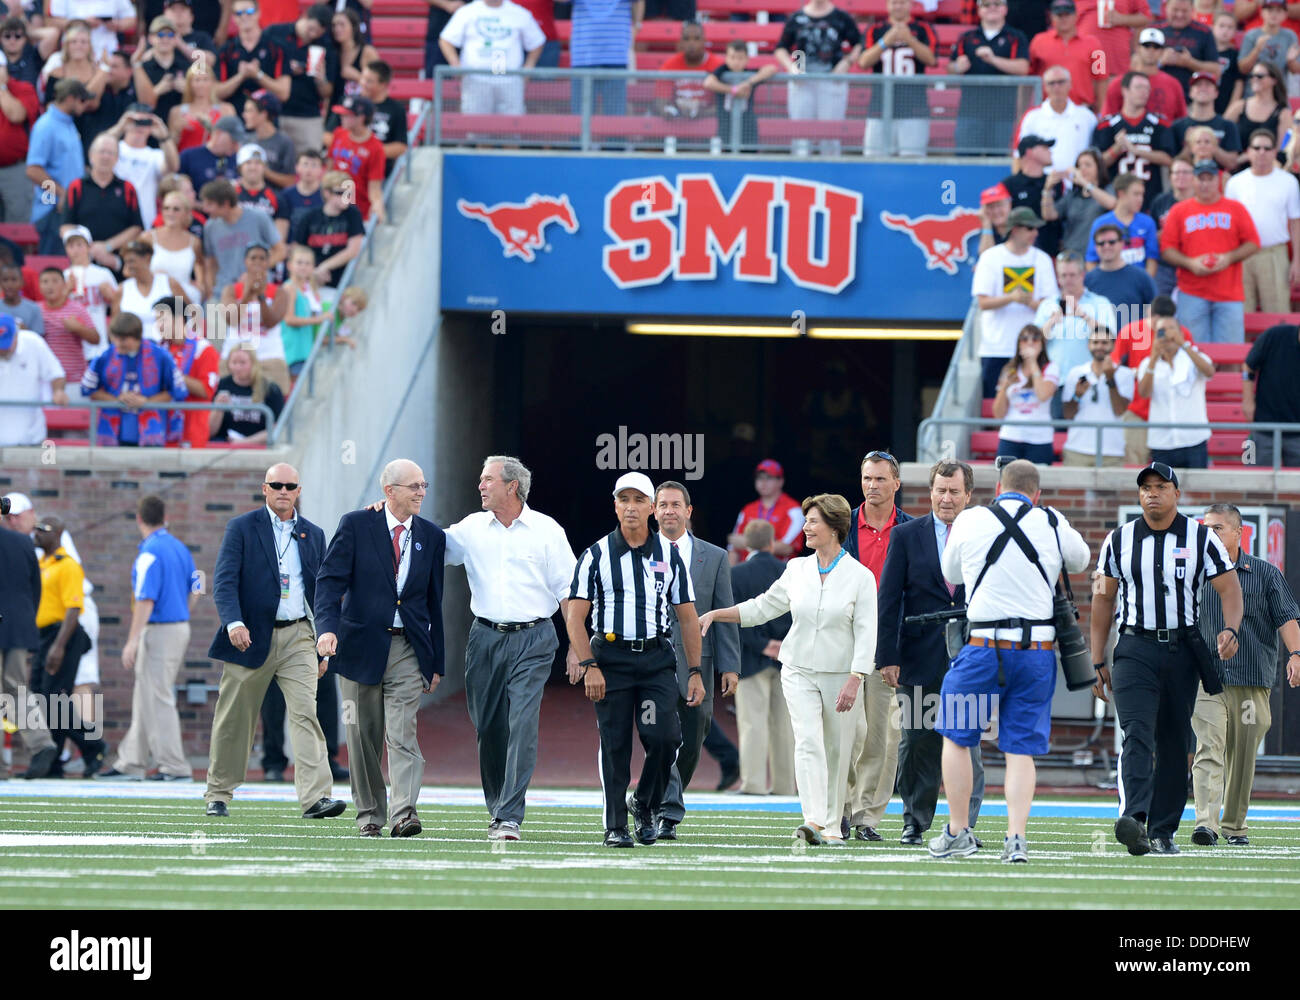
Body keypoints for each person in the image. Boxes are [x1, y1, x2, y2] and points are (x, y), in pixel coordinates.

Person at [932, 459, 1090, 862]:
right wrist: (1055, 520)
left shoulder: (971, 520)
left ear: (998, 487)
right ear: (1036, 493)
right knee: (1021, 749)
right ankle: (1015, 839)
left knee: (957, 736)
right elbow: (1081, 560)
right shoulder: (1052, 521)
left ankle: (957, 831)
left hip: (982, 648)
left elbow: (951, 571)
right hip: (1035, 653)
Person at [702, 493, 876, 847]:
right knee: (808, 742)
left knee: (838, 750)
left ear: (834, 528)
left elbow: (866, 630)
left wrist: (856, 678)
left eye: (813, 521)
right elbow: (762, 608)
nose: (805, 528)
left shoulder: (861, 576)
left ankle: (831, 825)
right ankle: (813, 820)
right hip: (797, 670)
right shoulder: (795, 569)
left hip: (841, 675)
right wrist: (718, 614)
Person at [1091, 462, 1242, 856]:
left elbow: (1230, 588)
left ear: (1177, 493)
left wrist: (1231, 628)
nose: (1152, 493)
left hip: (1181, 650)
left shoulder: (1200, 537)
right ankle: (1134, 817)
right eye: (1146, 487)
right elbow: (1103, 598)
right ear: (1139, 495)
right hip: (1134, 648)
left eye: (1161, 486)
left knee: (1175, 742)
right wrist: (1095, 659)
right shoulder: (1118, 540)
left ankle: (1162, 830)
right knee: (1136, 731)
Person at [565, 471, 704, 848]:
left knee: (664, 736)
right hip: (611, 659)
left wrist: (694, 671)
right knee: (615, 745)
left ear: (651, 509)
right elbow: (575, 616)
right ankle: (615, 826)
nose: (630, 507)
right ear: (615, 505)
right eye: (623, 500)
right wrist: (589, 663)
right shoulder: (594, 555)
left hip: (656, 659)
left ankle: (643, 803)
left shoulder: (669, 556)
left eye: (638, 500)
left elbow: (688, 617)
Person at [443, 456, 577, 841]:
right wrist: (390, 518)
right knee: (489, 727)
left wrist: (575, 647)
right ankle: (497, 805)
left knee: (521, 721)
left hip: (535, 638)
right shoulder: (470, 528)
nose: (480, 486)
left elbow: (568, 592)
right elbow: (429, 546)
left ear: (512, 486)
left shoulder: (547, 530)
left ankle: (509, 814)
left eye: (487, 480)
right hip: (484, 637)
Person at [204, 465, 345, 819]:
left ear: (298, 490)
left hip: (299, 634)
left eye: (290, 486)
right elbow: (224, 581)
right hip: (249, 636)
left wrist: (324, 639)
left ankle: (316, 797)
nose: (284, 490)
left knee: (305, 713)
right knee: (234, 717)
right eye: (277, 485)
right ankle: (218, 793)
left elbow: (323, 592)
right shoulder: (241, 528)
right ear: (264, 489)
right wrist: (233, 622)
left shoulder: (313, 534)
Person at [316, 459, 447, 838]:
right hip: (357, 649)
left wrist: (436, 660)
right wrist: (326, 631)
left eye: (424, 485)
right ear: (389, 492)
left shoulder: (432, 537)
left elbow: (435, 602)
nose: (422, 492)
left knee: (403, 732)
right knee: (361, 737)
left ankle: (404, 813)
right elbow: (329, 582)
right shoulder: (356, 525)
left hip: (407, 648)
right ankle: (370, 815)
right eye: (414, 487)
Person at [876, 460, 985, 845]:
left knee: (966, 740)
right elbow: (888, 598)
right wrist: (886, 656)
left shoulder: (984, 535)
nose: (946, 497)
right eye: (940, 489)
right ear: (930, 491)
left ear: (968, 495)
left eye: (954, 491)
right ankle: (914, 822)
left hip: (972, 655)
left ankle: (964, 826)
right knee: (917, 739)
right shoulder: (907, 535)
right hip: (918, 654)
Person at [1191, 503, 1300, 846]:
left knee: (1242, 757)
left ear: (1239, 532)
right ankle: (1205, 823)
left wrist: (1296, 654)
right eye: (1206, 528)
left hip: (1252, 681)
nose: (1211, 534)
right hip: (1207, 679)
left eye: (1219, 528)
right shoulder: (1192, 573)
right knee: (1209, 747)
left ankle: (1234, 825)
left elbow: (1286, 618)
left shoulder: (1265, 574)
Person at [647, 480, 739, 840]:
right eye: (663, 504)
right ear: (654, 511)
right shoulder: (636, 552)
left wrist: (730, 665)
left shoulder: (714, 556)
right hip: (651, 656)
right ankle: (667, 810)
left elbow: (724, 610)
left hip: (698, 658)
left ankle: (667, 796)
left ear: (688, 511)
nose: (669, 510)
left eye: (675, 504)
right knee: (660, 734)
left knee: (695, 730)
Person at [97, 494, 200, 781]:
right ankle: (132, 761)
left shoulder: (149, 553)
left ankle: (174, 766)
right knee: (146, 696)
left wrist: (132, 640)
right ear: (165, 516)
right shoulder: (180, 547)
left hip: (160, 630)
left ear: (139, 518)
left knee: (158, 697)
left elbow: (144, 601)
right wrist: (183, 612)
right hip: (178, 625)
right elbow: (198, 585)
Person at [840, 449, 911, 842]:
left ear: (896, 483)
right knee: (845, 731)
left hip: (889, 645)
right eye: (867, 478)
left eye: (881, 479)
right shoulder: (841, 525)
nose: (872, 486)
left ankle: (867, 817)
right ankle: (842, 809)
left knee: (883, 736)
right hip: (845, 641)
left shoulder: (912, 529)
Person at [31, 516, 106, 777]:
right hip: (43, 636)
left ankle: (93, 745)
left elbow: (74, 608)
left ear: (59, 533)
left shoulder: (68, 565)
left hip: (64, 635)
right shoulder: (41, 563)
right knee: (43, 698)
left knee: (53, 699)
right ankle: (56, 759)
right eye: (36, 529)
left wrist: (59, 647)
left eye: (44, 530)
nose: (37, 533)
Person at [1161, 159, 1259, 344]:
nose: (1205, 184)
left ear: (1218, 180)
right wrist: (1190, 263)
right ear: (1193, 181)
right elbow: (1167, 249)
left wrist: (1228, 257)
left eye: (1210, 178)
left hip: (1229, 292)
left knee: (1231, 352)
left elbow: (1253, 243)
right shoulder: (1179, 211)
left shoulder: (1235, 209)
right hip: (1192, 291)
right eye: (1201, 178)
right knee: (1193, 352)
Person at [730, 520, 795, 797]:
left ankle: (754, 784)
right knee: (785, 728)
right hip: (788, 659)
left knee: (752, 724)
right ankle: (784, 787)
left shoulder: (736, 574)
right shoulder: (790, 572)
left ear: (747, 544)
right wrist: (783, 645)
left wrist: (762, 644)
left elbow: (733, 619)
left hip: (750, 659)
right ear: (772, 542)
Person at [971, 206, 1059, 399]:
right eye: (1030, 228)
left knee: (1032, 404)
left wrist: (1028, 302)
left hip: (1032, 347)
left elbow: (1050, 306)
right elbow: (982, 302)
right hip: (997, 347)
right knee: (994, 405)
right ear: (1015, 229)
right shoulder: (990, 258)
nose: (1035, 233)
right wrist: (1011, 298)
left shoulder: (1042, 259)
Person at [0, 503, 58, 779]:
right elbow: (35, 588)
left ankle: (1, 765)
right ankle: (41, 742)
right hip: (18, 627)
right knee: (15, 690)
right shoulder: (23, 542)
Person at [80, 312, 186, 447]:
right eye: (114, 338)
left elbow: (175, 391)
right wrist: (117, 400)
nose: (117, 343)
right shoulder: (104, 357)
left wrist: (146, 402)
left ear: (136, 337)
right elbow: (88, 389)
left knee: (148, 467)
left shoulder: (161, 356)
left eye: (123, 339)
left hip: (152, 432)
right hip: (113, 433)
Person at [1223, 129, 1300, 313]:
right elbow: (1228, 224)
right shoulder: (1235, 182)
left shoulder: (1288, 181)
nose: (1262, 152)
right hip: (1241, 254)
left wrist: (1297, 261)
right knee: (1241, 314)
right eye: (1257, 147)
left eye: (1267, 148)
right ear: (1248, 151)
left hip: (1274, 253)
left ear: (1275, 152)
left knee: (1277, 313)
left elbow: (1296, 224)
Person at [774, 0, 862, 157]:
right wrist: (791, 67)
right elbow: (781, 48)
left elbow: (859, 43)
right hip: (802, 83)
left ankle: (831, 173)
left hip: (832, 81)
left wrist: (846, 62)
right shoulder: (797, 18)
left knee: (830, 135)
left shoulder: (841, 17)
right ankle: (800, 176)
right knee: (801, 136)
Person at [949, 0, 1030, 156]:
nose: (992, 7)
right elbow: (950, 68)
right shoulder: (966, 37)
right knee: (966, 162)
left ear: (1005, 9)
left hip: (1002, 114)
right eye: (986, 4)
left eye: (997, 3)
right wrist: (957, 67)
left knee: (998, 161)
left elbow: (1023, 68)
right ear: (979, 10)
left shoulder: (1016, 37)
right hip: (969, 112)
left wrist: (993, 59)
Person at [859, 0, 937, 158]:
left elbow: (931, 60)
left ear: (910, 4)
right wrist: (885, 42)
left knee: (912, 159)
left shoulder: (923, 29)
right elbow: (863, 62)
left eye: (902, 2)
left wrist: (910, 40)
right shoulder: (876, 29)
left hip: (913, 107)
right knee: (874, 159)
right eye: (894, 2)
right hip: (880, 106)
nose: (898, 6)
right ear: (887, 5)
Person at [1136, 312, 1215, 467]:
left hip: (1193, 440)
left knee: (1197, 490)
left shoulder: (1193, 358)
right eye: (1162, 330)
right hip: (1162, 442)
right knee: (1163, 490)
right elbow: (1143, 393)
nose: (1167, 334)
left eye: (1171, 329)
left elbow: (1209, 371)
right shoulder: (1147, 364)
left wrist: (1183, 344)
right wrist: (1154, 357)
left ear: (1180, 333)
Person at [1093, 73, 1176, 216]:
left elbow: (1169, 160)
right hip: (1116, 200)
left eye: (1147, 89)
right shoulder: (1106, 125)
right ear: (1124, 90)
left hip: (1150, 197)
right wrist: (1116, 149)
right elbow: (1096, 165)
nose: (1144, 92)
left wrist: (1137, 151)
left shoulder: (1159, 124)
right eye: (1138, 87)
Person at [25, 79, 91, 255]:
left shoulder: (68, 124)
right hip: (52, 209)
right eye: (82, 100)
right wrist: (60, 194)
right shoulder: (46, 126)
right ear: (70, 98)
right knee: (54, 263)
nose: (86, 105)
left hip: (67, 207)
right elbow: (33, 170)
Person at [261, 3, 333, 158]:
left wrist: (320, 77)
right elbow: (259, 61)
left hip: (308, 115)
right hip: (274, 113)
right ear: (305, 17)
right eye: (311, 28)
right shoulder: (275, 33)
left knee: (311, 165)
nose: (312, 35)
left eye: (317, 32)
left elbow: (327, 92)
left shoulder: (325, 45)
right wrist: (283, 67)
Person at [217, 242, 291, 391]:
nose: (257, 262)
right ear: (245, 261)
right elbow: (232, 320)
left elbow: (271, 321)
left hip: (269, 357)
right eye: (253, 258)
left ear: (268, 262)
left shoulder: (279, 292)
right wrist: (247, 295)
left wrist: (260, 296)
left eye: (262, 258)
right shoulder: (231, 290)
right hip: (234, 358)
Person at [1036, 248, 1117, 380]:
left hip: (1090, 378)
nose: (1068, 280)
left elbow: (1110, 338)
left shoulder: (1100, 302)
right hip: (1055, 380)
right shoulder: (1047, 305)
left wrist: (1085, 317)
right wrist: (1051, 322)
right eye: (1063, 275)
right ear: (1058, 277)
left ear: (1082, 275)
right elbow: (1034, 341)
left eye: (1072, 275)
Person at [1061, 328, 1135, 465]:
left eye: (1104, 342)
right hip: (1077, 448)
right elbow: (1067, 414)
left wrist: (1110, 378)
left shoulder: (1125, 374)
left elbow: (1119, 410)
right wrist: (1077, 396)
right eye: (1095, 342)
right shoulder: (1076, 372)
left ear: (1113, 345)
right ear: (1088, 345)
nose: (1099, 346)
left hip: (1112, 451)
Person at [153, 295, 217, 449]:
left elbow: (205, 391)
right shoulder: (158, 350)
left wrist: (175, 373)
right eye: (156, 320)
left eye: (163, 320)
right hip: (161, 431)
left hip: (192, 433)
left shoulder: (204, 349)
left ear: (180, 319)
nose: (159, 326)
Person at [200, 178, 284, 295]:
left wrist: (256, 270)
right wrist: (210, 293)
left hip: (257, 291)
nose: (204, 209)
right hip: (223, 292)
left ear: (225, 204)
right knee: (211, 312)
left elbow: (281, 251)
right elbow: (210, 264)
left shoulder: (258, 217)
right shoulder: (210, 226)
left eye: (209, 204)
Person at [993, 323, 1061, 463]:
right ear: (1018, 344)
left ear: (1042, 344)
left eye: (1035, 339)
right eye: (1024, 339)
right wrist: (1005, 387)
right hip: (1010, 436)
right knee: (1007, 483)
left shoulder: (1050, 368)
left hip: (1039, 438)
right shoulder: (1009, 369)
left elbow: (1043, 395)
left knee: (1037, 483)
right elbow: (998, 414)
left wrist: (1033, 363)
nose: (1030, 342)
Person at [1011, 66, 1098, 173]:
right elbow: (1019, 154)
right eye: (1051, 83)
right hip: (1042, 184)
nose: (1056, 87)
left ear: (1070, 84)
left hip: (1078, 183)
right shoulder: (1032, 117)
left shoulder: (1087, 117)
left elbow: (1096, 154)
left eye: (1061, 82)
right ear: (1045, 87)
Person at [289, 170, 364, 290]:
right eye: (340, 193)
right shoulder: (310, 216)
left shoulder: (352, 214)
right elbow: (297, 250)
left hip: (341, 281)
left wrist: (324, 267)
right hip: (310, 280)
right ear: (327, 193)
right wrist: (313, 272)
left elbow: (353, 250)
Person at [0, 314, 67, 446]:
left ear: (16, 335)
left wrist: (58, 391)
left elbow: (56, 373)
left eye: (6, 344)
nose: (3, 349)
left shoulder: (33, 342)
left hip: (31, 437)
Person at [1028, 0, 1106, 110]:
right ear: (1051, 17)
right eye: (1059, 15)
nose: (1063, 18)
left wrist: (1101, 112)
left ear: (1076, 15)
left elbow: (1101, 79)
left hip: (1082, 109)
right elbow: (1028, 78)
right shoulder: (1038, 41)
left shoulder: (1094, 43)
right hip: (1047, 110)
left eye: (1067, 14)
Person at [567, 0, 639, 117]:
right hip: (583, 57)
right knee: (580, 121)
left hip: (616, 57)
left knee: (615, 123)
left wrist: (638, 24)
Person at [1244, 320, 1300, 467]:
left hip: (1297, 432)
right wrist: (1248, 401)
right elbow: (1248, 367)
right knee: (1255, 483)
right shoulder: (1275, 335)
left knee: (1295, 487)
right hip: (1264, 426)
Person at [704, 42, 778, 151]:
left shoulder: (749, 74)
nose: (736, 62)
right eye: (732, 57)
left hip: (747, 129)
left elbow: (772, 68)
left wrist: (747, 83)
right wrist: (733, 90)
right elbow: (708, 83)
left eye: (740, 58)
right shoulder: (722, 71)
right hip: (725, 128)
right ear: (726, 58)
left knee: (749, 161)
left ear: (747, 59)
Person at [728, 458, 805, 563]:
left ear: (781, 481)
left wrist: (747, 543)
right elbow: (733, 547)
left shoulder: (794, 510)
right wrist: (731, 577)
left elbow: (787, 548)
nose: (763, 482)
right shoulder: (748, 509)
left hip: (777, 576)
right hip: (746, 574)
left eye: (769, 478)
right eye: (759, 478)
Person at [1040, 147, 1117, 254]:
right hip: (1072, 254)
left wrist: (1085, 183)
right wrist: (1047, 190)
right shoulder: (1072, 195)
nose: (1082, 169)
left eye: (1088, 165)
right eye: (1079, 166)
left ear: (1098, 168)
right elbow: (1049, 215)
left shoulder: (1107, 189)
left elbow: (1112, 204)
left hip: (1097, 254)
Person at [1102, 27, 1187, 123]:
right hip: (1127, 135)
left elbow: (1181, 121)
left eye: (1156, 47)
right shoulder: (1119, 82)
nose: (1151, 50)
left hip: (1163, 136)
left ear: (1162, 51)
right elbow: (1108, 119)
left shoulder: (1173, 84)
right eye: (1146, 46)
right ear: (1138, 48)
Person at [215, 0, 288, 106]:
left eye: (249, 11)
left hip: (267, 117)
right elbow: (215, 93)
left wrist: (258, 74)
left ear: (258, 13)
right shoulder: (225, 50)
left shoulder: (277, 47)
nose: (244, 16)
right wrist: (240, 76)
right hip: (235, 115)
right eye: (239, 13)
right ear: (234, 18)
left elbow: (284, 93)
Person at [326, 94, 385, 224]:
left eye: (347, 115)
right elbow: (329, 169)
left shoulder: (375, 148)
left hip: (357, 212)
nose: (342, 117)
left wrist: (377, 206)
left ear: (361, 117)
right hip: (333, 206)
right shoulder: (339, 133)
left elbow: (374, 188)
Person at [1085, 173, 1159, 275]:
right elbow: (1091, 262)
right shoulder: (1100, 223)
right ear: (1121, 194)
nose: (1141, 199)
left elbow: (1152, 259)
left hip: (1138, 285)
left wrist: (1145, 285)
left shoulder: (1147, 222)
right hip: (1110, 285)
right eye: (1136, 194)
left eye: (1142, 194)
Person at [209, 342, 284, 443]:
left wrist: (245, 442)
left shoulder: (270, 389)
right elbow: (210, 431)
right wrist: (218, 409)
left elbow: (277, 428)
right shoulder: (221, 385)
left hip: (259, 445)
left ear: (253, 364)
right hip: (224, 441)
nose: (238, 367)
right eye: (234, 363)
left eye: (242, 363)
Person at [0, 44, 42, 225]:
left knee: (18, 225)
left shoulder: (23, 89)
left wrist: (1, 88)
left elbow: (16, 115)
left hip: (15, 168)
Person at [1003, 134, 1063, 256]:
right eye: (1045, 148)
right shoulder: (1010, 185)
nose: (1050, 152)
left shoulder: (1056, 183)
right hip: (1019, 253)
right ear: (1030, 152)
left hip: (1051, 251)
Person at [141, 188, 205, 302]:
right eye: (166, 208)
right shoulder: (148, 238)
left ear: (186, 213)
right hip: (153, 298)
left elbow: (200, 265)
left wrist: (200, 284)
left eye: (176, 209)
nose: (170, 213)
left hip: (184, 299)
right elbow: (136, 268)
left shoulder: (194, 242)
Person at [1084, 221, 1158, 321]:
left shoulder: (1141, 277)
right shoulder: (1088, 280)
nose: (1107, 246)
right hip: (1100, 335)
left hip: (1134, 335)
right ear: (1095, 247)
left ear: (1121, 243)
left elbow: (1156, 310)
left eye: (1112, 242)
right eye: (1101, 243)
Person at [110, 240, 185, 333]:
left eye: (132, 261)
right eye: (126, 262)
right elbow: (115, 326)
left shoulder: (169, 283)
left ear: (147, 259)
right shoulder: (122, 289)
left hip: (166, 345)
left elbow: (187, 315)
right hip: (134, 346)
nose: (128, 266)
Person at [1226, 60, 1294, 164]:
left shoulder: (1283, 113)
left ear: (1274, 80)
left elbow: (1283, 148)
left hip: (1269, 168)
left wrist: (1255, 156)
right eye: (1252, 76)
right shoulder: (1239, 107)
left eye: (1259, 76)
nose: (1254, 79)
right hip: (1238, 166)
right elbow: (1221, 133)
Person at [654, 20, 724, 120]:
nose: (691, 43)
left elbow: (725, 106)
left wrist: (701, 112)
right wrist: (672, 112)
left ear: (704, 41)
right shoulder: (669, 66)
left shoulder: (718, 66)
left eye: (696, 39)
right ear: (681, 42)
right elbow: (661, 102)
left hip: (710, 126)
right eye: (687, 39)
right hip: (676, 126)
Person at [1172, 72, 1242, 170]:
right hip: (1188, 182)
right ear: (1191, 92)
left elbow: (1233, 163)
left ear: (1216, 93)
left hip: (1218, 181)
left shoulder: (1228, 126)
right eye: (1198, 85)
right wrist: (1189, 145)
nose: (1203, 88)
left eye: (1208, 85)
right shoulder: (1177, 126)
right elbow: (1172, 165)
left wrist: (1210, 144)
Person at [1072, 0, 1151, 84]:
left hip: (1116, 60)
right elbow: (1061, 17)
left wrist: (1122, 19)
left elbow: (1145, 17)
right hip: (1085, 60)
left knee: (1115, 90)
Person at [1150, 154, 1195, 296]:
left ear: (1194, 176)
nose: (1180, 176)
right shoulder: (1160, 201)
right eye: (1176, 172)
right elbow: (1153, 235)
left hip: (1193, 265)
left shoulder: (1200, 201)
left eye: (1185, 172)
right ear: (1170, 176)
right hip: (1165, 267)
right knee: (1160, 309)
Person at [1152, 0, 1221, 94]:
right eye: (1175, 10)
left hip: (1191, 97)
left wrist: (1190, 62)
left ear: (1192, 10)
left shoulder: (1204, 32)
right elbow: (1136, 65)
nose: (1179, 15)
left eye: (1184, 11)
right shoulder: (1154, 30)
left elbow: (1216, 70)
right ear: (1166, 8)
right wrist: (1161, 61)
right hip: (1156, 93)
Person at [169, 62, 238, 155]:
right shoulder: (177, 111)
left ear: (212, 82)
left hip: (215, 162)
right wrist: (176, 132)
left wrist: (211, 128)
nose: (201, 84)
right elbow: (170, 148)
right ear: (190, 84)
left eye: (205, 79)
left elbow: (234, 143)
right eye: (197, 80)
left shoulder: (226, 109)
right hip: (186, 163)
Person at [133, 15, 188, 126]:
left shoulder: (187, 67)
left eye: (170, 35)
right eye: (160, 34)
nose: (165, 39)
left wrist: (188, 90)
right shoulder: (142, 68)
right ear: (150, 38)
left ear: (176, 39)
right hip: (149, 127)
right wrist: (157, 91)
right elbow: (139, 103)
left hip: (182, 127)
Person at [359, 60, 407, 179]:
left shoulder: (396, 109)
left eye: (369, 81)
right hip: (350, 172)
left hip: (380, 173)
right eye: (363, 78)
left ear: (383, 84)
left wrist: (369, 152)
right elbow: (329, 135)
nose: (363, 83)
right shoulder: (351, 103)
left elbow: (400, 146)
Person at [326, 7, 378, 115]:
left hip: (359, 112)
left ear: (353, 27)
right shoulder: (332, 53)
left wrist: (357, 76)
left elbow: (378, 87)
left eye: (342, 24)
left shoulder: (367, 52)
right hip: (335, 111)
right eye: (334, 25)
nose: (337, 29)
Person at [239, 91, 297, 189]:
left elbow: (290, 182)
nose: (244, 115)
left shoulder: (284, 142)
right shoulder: (246, 141)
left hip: (273, 199)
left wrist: (264, 172)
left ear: (263, 114)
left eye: (249, 111)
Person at [1239, 0, 1300, 79]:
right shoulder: (1251, 35)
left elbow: (1296, 70)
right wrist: (1256, 50)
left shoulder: (1290, 36)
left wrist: (1291, 61)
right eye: (1270, 10)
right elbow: (1243, 69)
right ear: (1262, 12)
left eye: (1279, 10)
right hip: (1253, 89)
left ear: (1285, 14)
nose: (1274, 14)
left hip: (1279, 89)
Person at [275, 148, 324, 241]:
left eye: (314, 165)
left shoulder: (327, 195)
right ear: (297, 167)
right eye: (305, 164)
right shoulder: (286, 195)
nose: (309, 169)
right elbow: (281, 229)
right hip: (294, 250)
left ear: (321, 169)